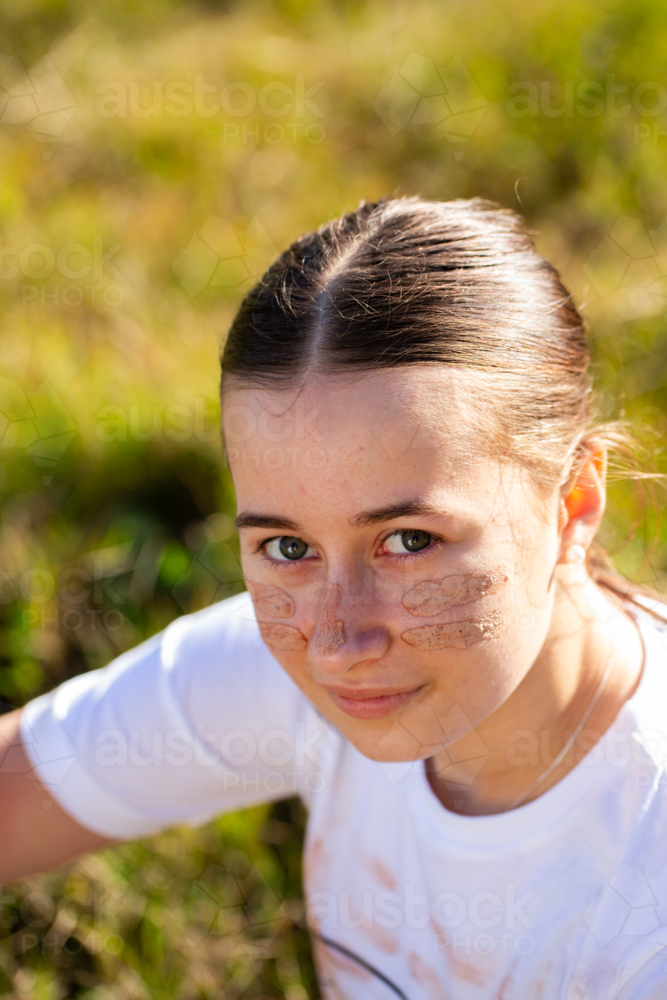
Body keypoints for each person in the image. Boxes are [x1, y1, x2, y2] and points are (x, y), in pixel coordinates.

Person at [2, 196, 667, 999]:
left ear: (572, 503)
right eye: (288, 548)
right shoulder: (312, 675)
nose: (335, 643)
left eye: (409, 542)